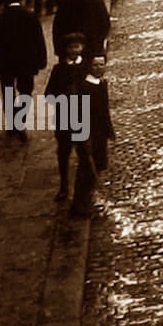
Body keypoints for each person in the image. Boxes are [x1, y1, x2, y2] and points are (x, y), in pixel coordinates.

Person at [0, 0, 48, 141]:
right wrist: (42, 60)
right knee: (26, 92)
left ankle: (12, 124)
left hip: (4, 62)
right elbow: (39, 41)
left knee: (8, 93)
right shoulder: (31, 17)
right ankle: (19, 121)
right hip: (26, 61)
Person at [66, 54, 114, 219]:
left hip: (100, 133)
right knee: (87, 169)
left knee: (97, 167)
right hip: (89, 135)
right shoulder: (85, 88)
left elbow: (104, 111)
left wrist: (109, 131)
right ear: (89, 67)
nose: (99, 68)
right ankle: (79, 204)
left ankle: (86, 201)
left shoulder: (100, 83)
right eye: (95, 65)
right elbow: (80, 115)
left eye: (101, 65)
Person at [44, 32, 88, 201]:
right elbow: (49, 93)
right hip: (64, 118)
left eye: (78, 46)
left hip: (83, 116)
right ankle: (64, 186)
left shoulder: (87, 68)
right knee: (63, 152)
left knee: (84, 152)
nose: (75, 50)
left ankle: (83, 188)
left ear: (82, 48)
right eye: (72, 47)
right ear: (65, 50)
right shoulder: (59, 70)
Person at [52, 0, 111, 67]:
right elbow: (105, 24)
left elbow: (57, 26)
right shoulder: (96, 0)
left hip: (70, 48)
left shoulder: (66, 1)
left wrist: (59, 49)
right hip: (92, 47)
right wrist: (99, 44)